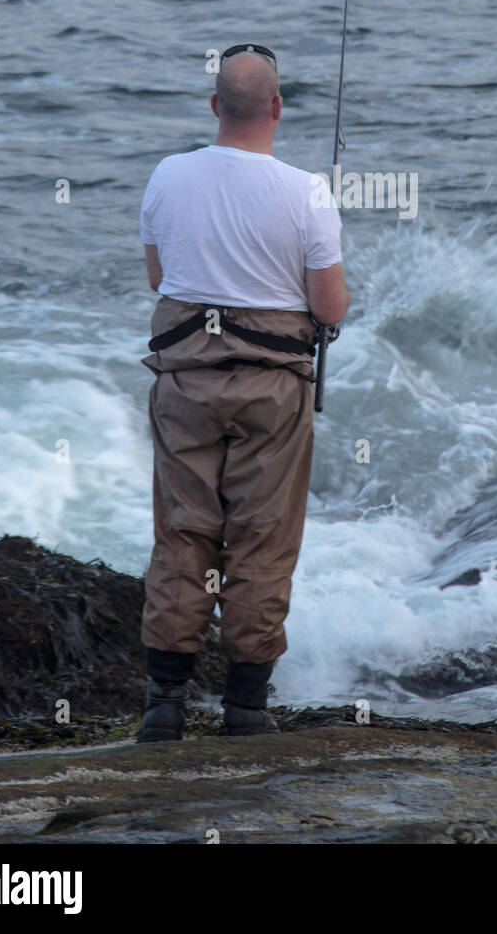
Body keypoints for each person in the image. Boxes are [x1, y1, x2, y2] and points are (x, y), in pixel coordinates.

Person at [135, 43, 349, 741]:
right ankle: (246, 710)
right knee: (261, 538)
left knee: (183, 531)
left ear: (215, 106)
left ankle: (164, 705)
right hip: (272, 390)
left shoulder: (168, 174)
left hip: (185, 381)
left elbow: (159, 277)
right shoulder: (306, 190)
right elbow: (331, 308)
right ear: (277, 108)